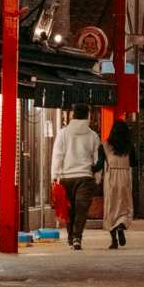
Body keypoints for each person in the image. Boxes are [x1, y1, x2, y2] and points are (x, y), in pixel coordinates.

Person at [51, 103, 101, 251]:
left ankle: (72, 237)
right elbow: (98, 159)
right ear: (88, 116)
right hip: (85, 177)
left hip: (66, 177)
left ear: (73, 115)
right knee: (81, 209)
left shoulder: (63, 133)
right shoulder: (93, 135)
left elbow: (57, 155)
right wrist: (97, 178)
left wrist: (55, 175)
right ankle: (76, 237)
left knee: (70, 209)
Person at [96, 119, 137, 250]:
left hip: (111, 179)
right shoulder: (129, 146)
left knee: (111, 209)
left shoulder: (104, 146)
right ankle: (121, 226)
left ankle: (114, 241)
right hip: (125, 178)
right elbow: (134, 163)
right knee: (126, 208)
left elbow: (99, 165)